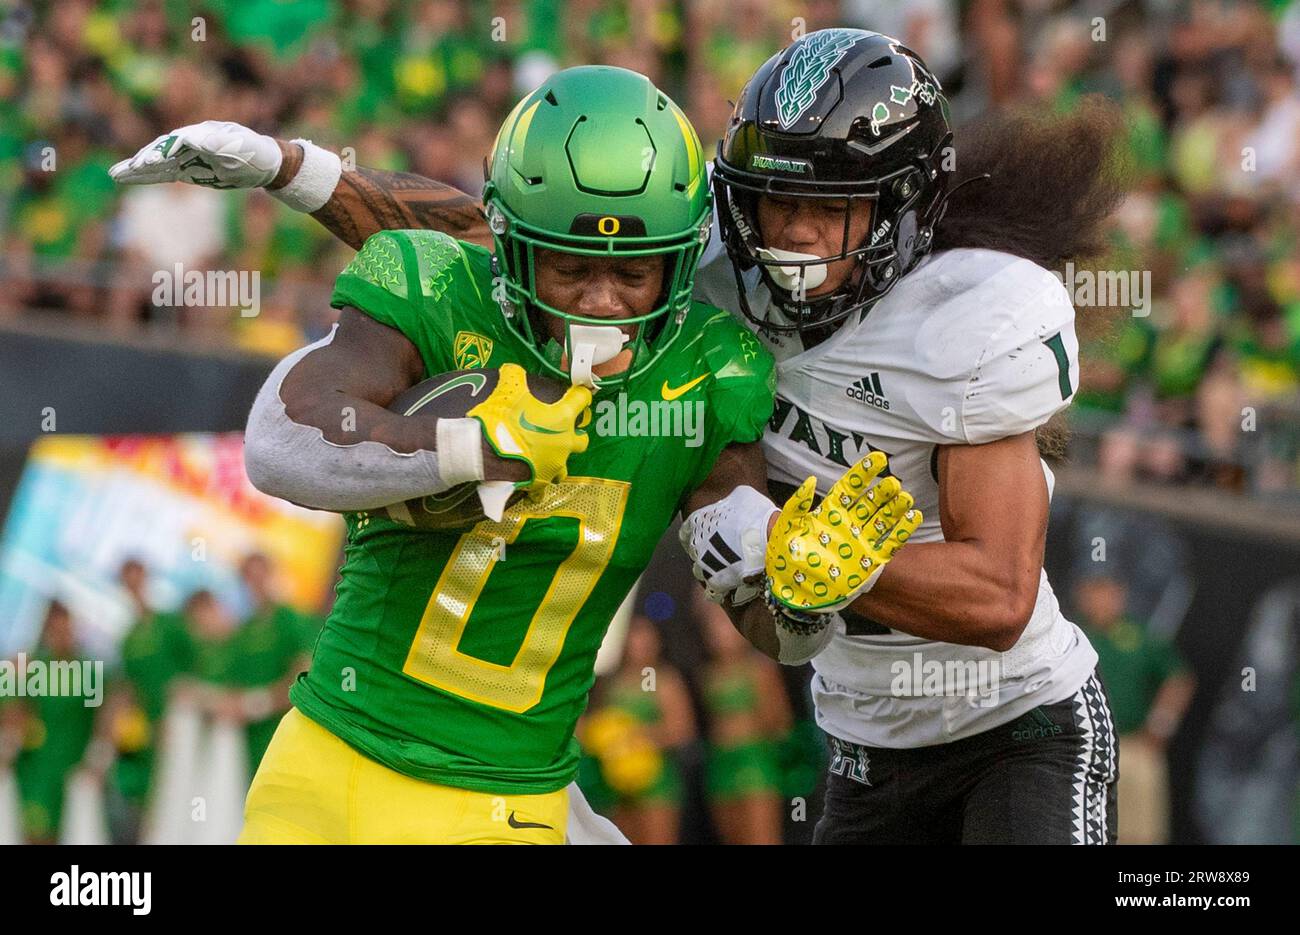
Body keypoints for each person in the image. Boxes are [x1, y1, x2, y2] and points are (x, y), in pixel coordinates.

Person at [185, 28, 1124, 844]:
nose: (791, 237)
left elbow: (999, 596)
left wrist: (822, 562)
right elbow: (510, 231)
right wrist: (300, 172)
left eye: (827, 208)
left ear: (903, 206)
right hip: (868, 734)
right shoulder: (696, 271)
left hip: (1015, 722)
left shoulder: (966, 319)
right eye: (773, 202)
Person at [113, 65, 917, 844]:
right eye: (570, 268)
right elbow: (279, 443)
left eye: (633, 274)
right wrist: (463, 445)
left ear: (679, 262)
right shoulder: (432, 282)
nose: (602, 300)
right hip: (332, 763)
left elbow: (751, 586)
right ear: (512, 247)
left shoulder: (713, 366)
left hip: (509, 798)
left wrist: (796, 593)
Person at [1074, 568, 1193, 844]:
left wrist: (1161, 724)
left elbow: (1179, 678)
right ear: (1082, 595)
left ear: (1120, 596)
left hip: (1132, 747)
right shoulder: (1071, 634)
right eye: (1095, 591)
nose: (1101, 600)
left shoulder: (1140, 636)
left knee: (1138, 833)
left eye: (1109, 592)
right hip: (1082, 748)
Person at [697, 594, 790, 845]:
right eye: (712, 626)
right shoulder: (707, 675)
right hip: (720, 762)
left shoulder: (760, 668)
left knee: (762, 838)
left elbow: (780, 723)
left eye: (724, 625)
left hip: (755, 761)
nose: (719, 633)